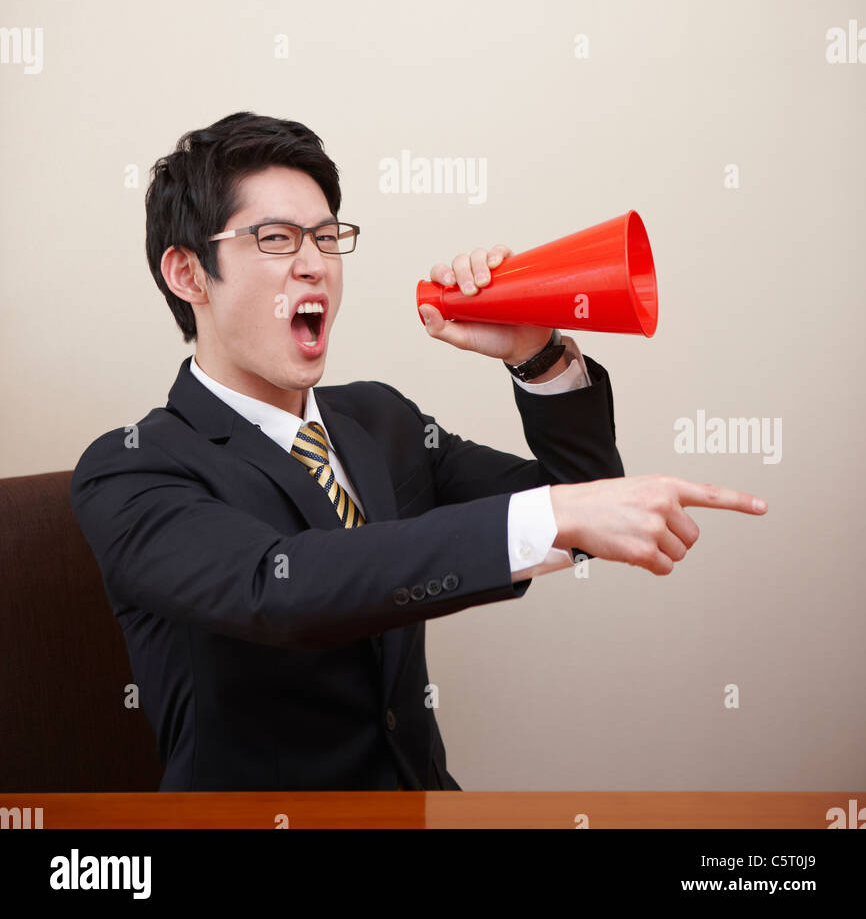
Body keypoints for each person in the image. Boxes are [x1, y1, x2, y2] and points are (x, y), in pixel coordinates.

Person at [69, 111, 768, 791]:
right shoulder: (130, 468)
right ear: (189, 274)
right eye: (277, 238)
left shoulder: (379, 419)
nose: (314, 264)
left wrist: (537, 355)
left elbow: (580, 501)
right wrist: (554, 514)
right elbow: (277, 589)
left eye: (326, 236)